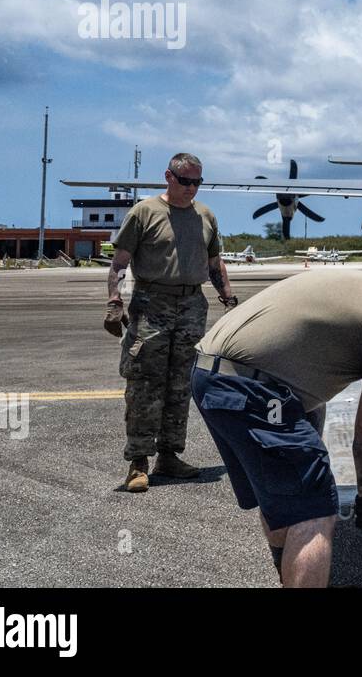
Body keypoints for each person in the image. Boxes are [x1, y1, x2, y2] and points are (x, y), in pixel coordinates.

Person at [192, 261, 362, 587]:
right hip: (253, 390)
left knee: (283, 501)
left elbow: (307, 367)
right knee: (314, 508)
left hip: (210, 374)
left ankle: (290, 575)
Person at [103, 152, 236, 493]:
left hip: (192, 305)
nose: (192, 188)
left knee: (181, 383)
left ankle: (169, 456)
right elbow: (119, 262)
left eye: (198, 182)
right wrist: (115, 301)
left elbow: (214, 263)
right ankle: (138, 462)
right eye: (186, 181)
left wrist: (229, 300)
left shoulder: (205, 216)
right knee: (145, 383)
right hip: (152, 304)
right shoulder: (144, 212)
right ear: (169, 177)